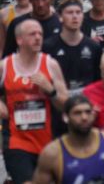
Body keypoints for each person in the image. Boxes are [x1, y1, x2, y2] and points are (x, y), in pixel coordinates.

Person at [1, 18, 70, 184]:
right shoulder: (5, 66)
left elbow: (67, 105)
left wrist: (50, 90)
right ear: (19, 40)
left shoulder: (50, 65)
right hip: (16, 141)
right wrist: (3, 109)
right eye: (32, 34)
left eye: (40, 33)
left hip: (47, 142)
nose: (38, 37)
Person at [32, 94, 104, 184]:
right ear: (65, 117)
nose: (84, 117)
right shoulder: (52, 154)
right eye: (77, 113)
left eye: (88, 112)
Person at [42, 0, 103, 98]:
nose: (75, 16)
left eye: (78, 12)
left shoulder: (93, 47)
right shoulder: (48, 47)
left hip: (86, 104)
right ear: (60, 17)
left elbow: (99, 81)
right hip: (59, 102)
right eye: (70, 13)